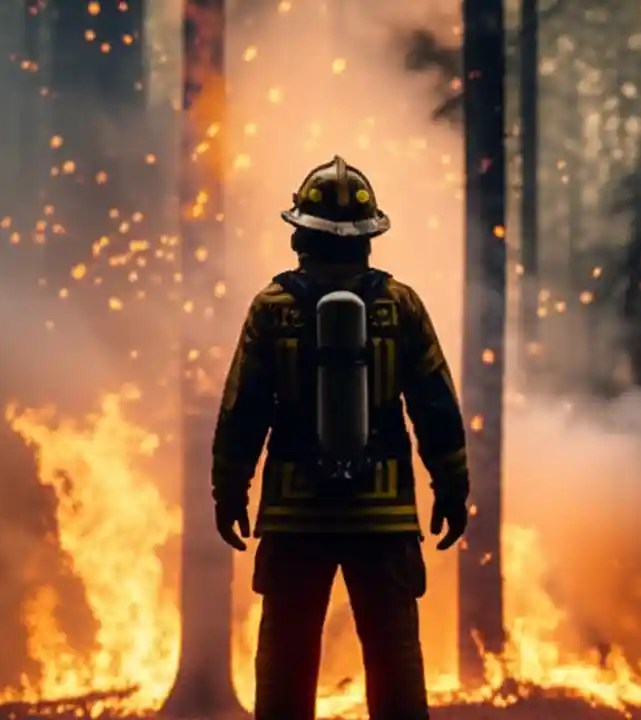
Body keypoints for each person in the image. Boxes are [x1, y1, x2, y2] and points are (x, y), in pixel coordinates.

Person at [210, 156, 470, 720]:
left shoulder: (271, 309)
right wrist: (452, 487)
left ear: (300, 234)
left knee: (286, 665)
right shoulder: (400, 307)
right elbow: (435, 406)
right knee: (395, 661)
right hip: (383, 518)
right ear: (369, 238)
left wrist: (228, 491)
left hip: (294, 516)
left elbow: (242, 411)